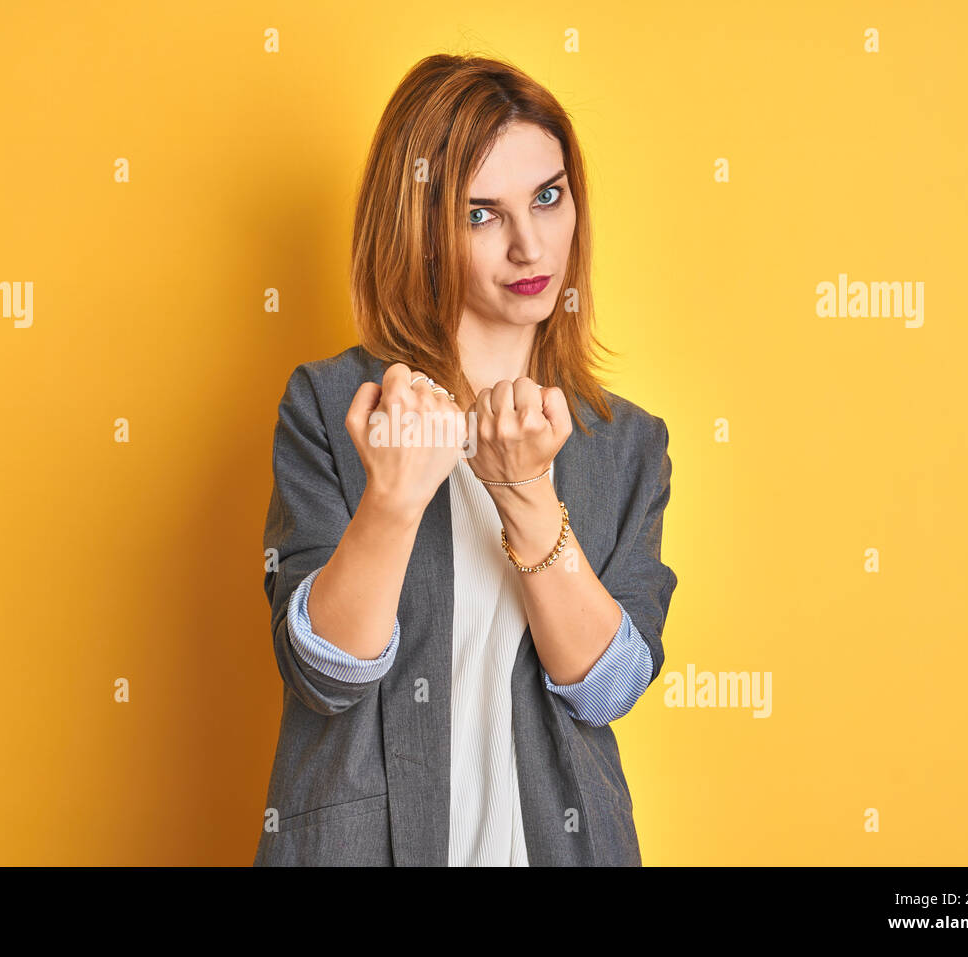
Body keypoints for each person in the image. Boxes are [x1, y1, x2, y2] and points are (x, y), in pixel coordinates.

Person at [255, 53, 678, 866]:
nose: (529, 244)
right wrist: (393, 500)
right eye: (482, 214)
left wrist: (523, 492)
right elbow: (324, 674)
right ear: (419, 228)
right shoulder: (335, 405)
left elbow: (608, 686)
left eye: (548, 197)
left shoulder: (624, 440)